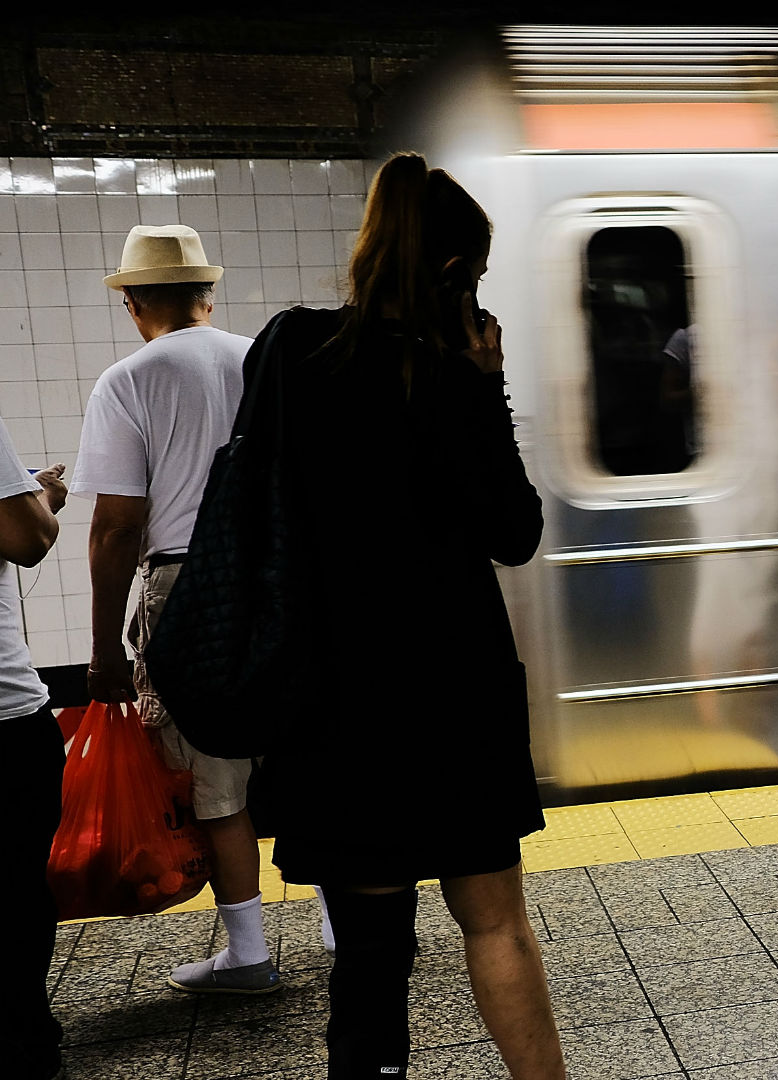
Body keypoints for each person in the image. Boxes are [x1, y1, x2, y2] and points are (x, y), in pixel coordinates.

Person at [254, 153, 562, 1078]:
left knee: (373, 947)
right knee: (496, 922)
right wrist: (487, 383)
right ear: (454, 275)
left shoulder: (288, 348)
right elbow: (516, 533)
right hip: (455, 696)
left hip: (335, 699)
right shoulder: (453, 379)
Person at [70, 224, 286, 993]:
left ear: (132, 302)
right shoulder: (264, 359)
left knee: (215, 779)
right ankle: (338, 924)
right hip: (280, 579)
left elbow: (119, 524)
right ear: (207, 294)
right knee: (296, 757)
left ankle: (250, 955)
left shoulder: (128, 379)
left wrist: (103, 653)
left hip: (187, 587)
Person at [0, 448, 66, 1080]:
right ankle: (21, 1041)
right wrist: (42, 496)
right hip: (3, 716)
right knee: (16, 887)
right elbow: (26, 537)